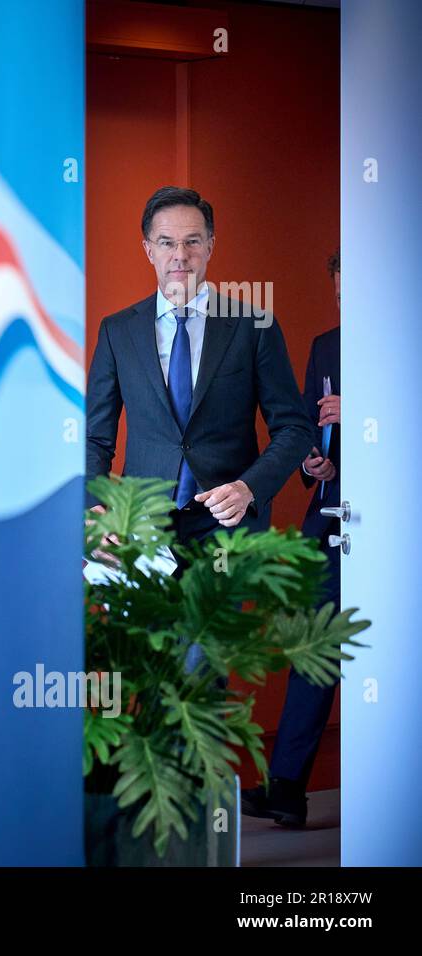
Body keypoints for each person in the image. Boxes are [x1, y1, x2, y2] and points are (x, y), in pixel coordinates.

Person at [86, 186, 315, 552]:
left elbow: (294, 428)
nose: (180, 255)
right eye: (166, 242)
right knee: (153, 613)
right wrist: (93, 506)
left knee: (220, 612)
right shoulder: (117, 331)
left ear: (210, 245)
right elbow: (94, 437)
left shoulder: (252, 325)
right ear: (148, 249)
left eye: (193, 241)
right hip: (142, 528)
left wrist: (248, 489)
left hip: (229, 525)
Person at [241, 249, 342, 828]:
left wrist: (360, 414)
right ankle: (286, 791)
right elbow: (303, 428)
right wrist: (313, 467)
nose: (345, 302)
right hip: (329, 518)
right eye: (338, 291)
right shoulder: (325, 346)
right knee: (313, 652)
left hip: (391, 528)